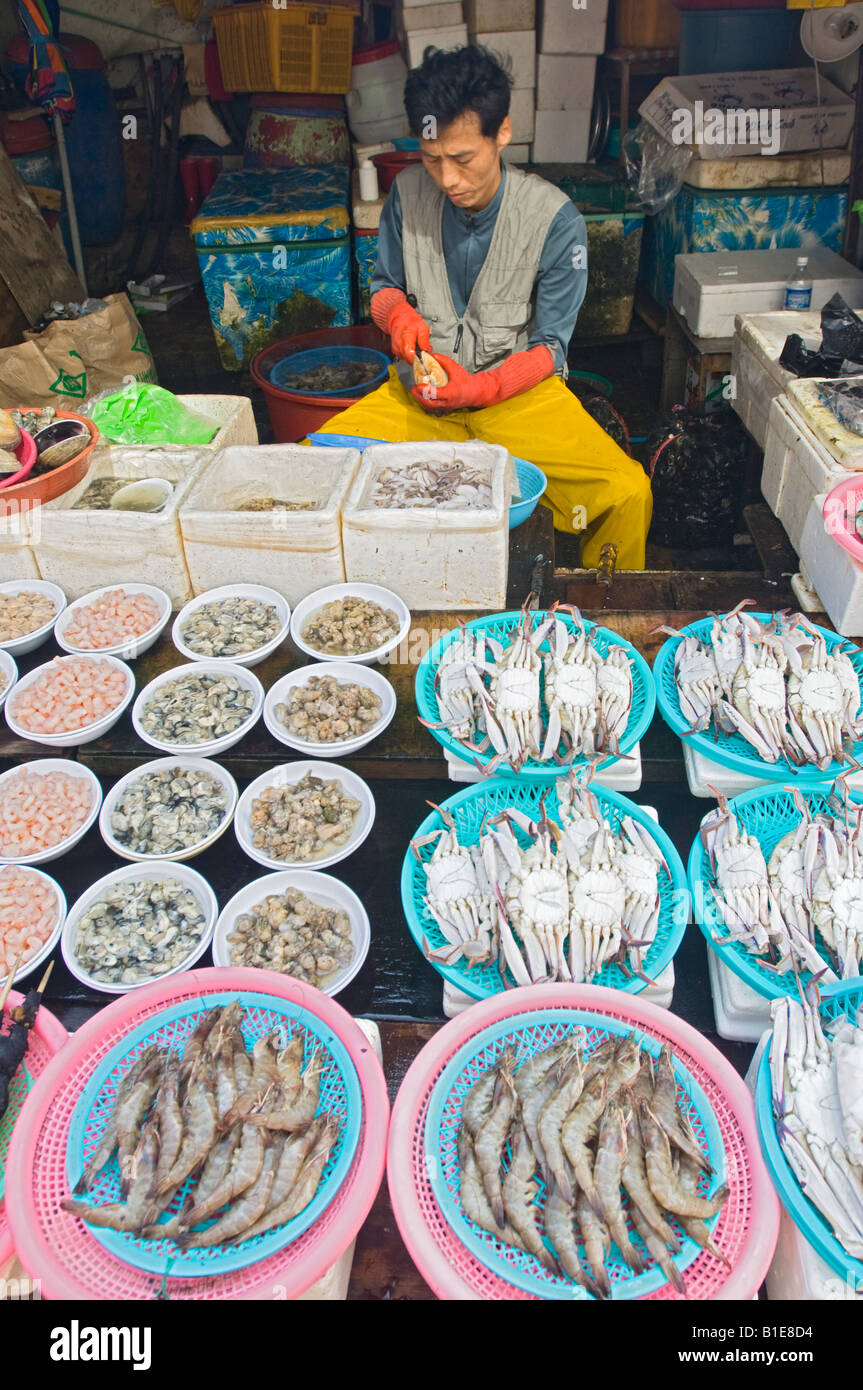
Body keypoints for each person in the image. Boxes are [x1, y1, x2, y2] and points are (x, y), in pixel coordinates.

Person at [323, 44, 652, 568]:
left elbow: (550, 348)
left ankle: (593, 626)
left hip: (517, 401)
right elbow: (384, 286)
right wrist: (396, 315)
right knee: (314, 471)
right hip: (417, 399)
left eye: (462, 158)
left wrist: (484, 386)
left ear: (501, 133)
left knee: (627, 493)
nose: (447, 179)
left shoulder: (554, 219)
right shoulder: (406, 195)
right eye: (432, 159)